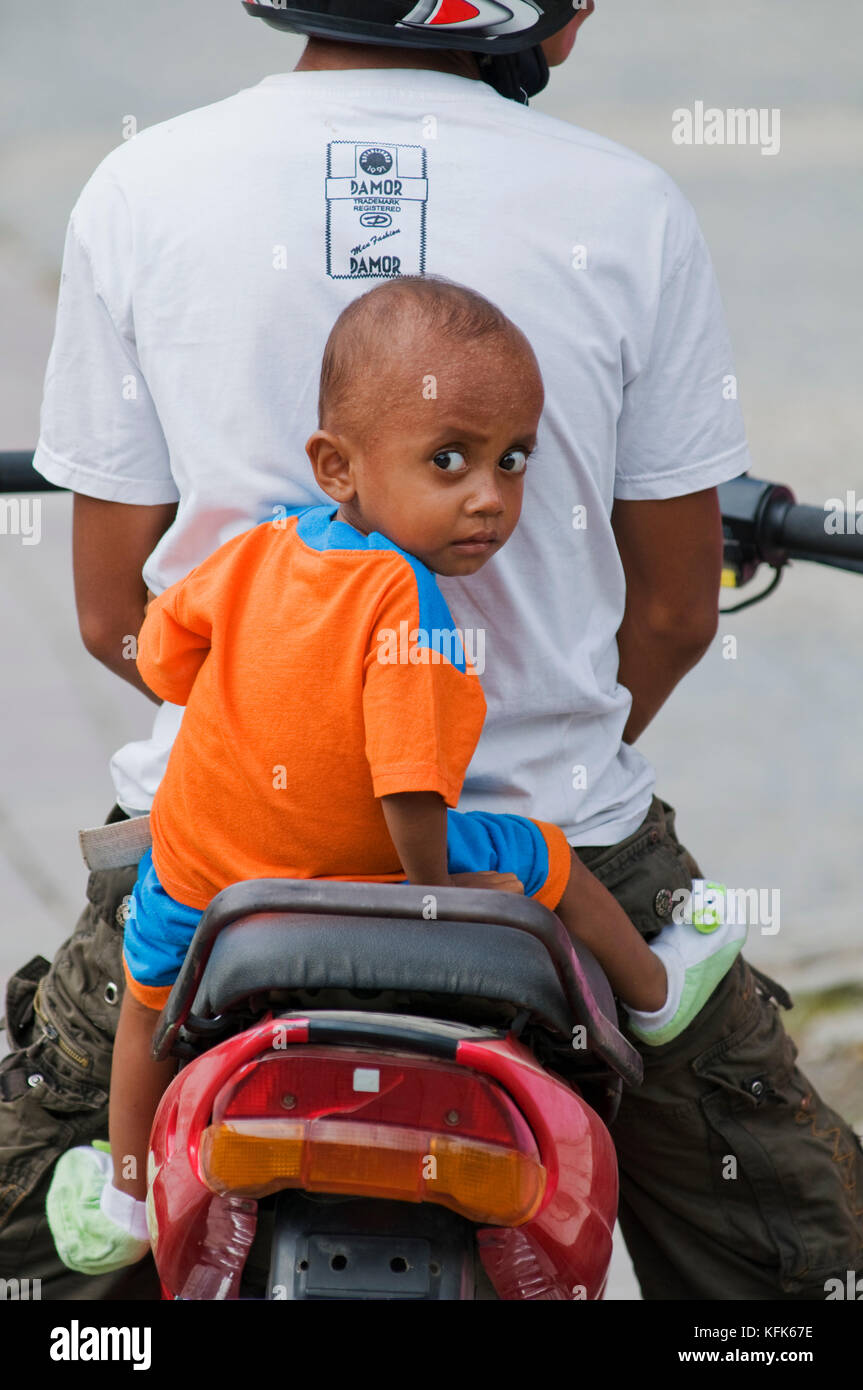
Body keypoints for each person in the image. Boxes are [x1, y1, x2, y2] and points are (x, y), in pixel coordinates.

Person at [3, 0, 861, 1300]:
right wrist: (544, 736)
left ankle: (117, 1189)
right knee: (796, 1264)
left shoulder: (140, 184)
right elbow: (679, 614)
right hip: (553, 841)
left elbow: (114, 616)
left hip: (211, 836)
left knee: (25, 1232)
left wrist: (269, 731)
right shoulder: (627, 206)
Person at [45, 277, 746, 1274]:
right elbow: (409, 784)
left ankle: (124, 1188)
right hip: (376, 857)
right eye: (449, 459)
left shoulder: (255, 551)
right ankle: (653, 987)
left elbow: (160, 655)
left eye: (513, 460)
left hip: (205, 870)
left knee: (145, 996)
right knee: (540, 853)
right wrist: (437, 889)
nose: (489, 496)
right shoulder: (410, 601)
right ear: (338, 463)